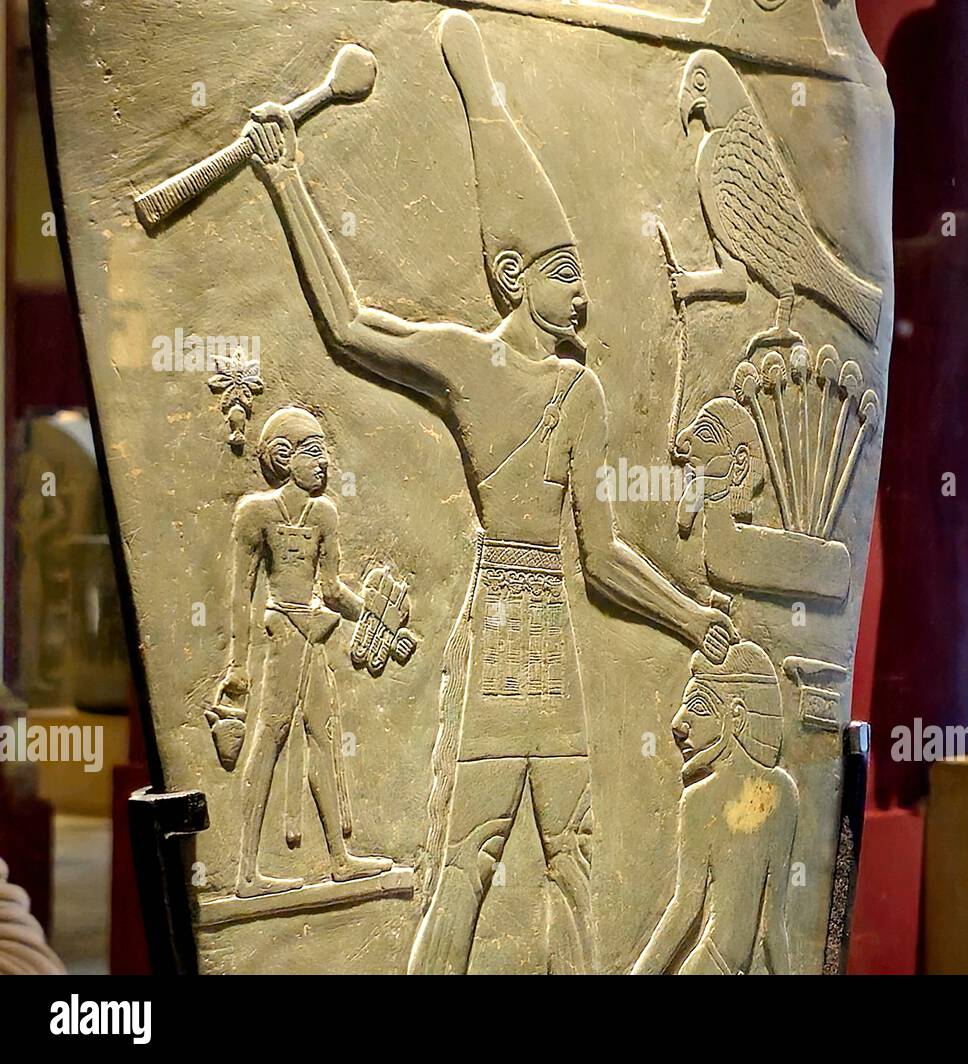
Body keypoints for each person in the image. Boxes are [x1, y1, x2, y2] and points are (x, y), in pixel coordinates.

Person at [241, 10, 735, 972]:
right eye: (565, 274)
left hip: (547, 628)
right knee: (470, 856)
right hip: (506, 625)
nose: (583, 294)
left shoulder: (580, 393)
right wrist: (287, 177)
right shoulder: (468, 365)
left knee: (573, 855)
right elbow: (348, 325)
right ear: (513, 276)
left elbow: (601, 557)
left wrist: (689, 617)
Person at [218, 407, 393, 898]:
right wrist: (236, 667)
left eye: (324, 453)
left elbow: (332, 589)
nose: (324, 463)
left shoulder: (324, 514)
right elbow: (241, 596)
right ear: (282, 457)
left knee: (323, 735)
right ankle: (246, 873)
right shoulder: (255, 513)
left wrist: (379, 621)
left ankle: (339, 858)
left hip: (313, 633)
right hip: (283, 634)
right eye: (313, 452)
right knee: (269, 739)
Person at [632, 640, 796, 975]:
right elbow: (685, 910)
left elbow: (773, 928)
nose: (679, 724)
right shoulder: (779, 793)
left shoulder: (777, 794)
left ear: (736, 717)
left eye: (698, 707)